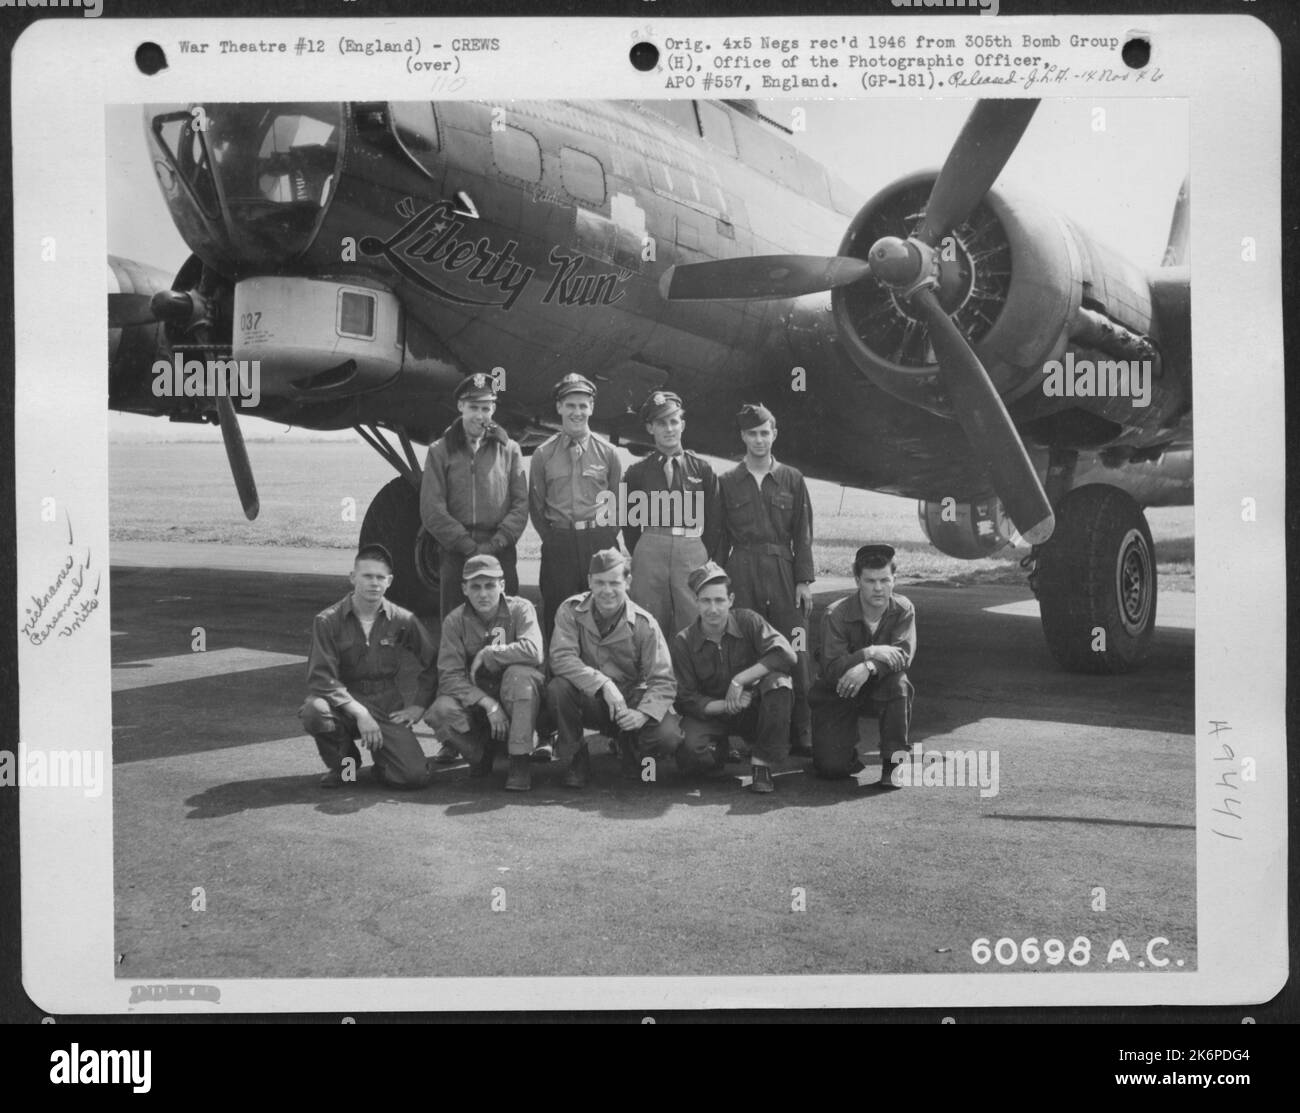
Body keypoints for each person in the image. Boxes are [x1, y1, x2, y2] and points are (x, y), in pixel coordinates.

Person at [715, 403, 815, 756]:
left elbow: (802, 533)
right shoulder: (727, 482)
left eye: (764, 432)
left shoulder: (792, 478)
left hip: (783, 570)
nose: (759, 440)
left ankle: (802, 729)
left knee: (796, 648)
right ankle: (745, 730)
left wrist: (803, 580)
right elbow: (719, 537)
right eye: (752, 434)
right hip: (741, 566)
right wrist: (718, 583)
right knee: (742, 649)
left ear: (774, 434)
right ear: (743, 437)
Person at [298, 543, 439, 789]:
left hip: (386, 704)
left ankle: (384, 765)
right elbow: (321, 678)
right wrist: (360, 713)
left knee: (414, 777)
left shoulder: (403, 619)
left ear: (390, 581)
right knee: (315, 711)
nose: (374, 583)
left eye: (380, 577)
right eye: (367, 576)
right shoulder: (327, 621)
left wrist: (419, 705)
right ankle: (345, 765)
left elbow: (434, 661)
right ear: (353, 578)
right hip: (344, 703)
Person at [547, 549, 684, 789]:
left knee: (668, 736)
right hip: (592, 697)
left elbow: (663, 680)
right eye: (599, 583)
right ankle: (576, 757)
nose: (607, 590)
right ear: (589, 581)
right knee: (559, 688)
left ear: (628, 582)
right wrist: (604, 684)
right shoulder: (570, 611)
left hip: (630, 702)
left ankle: (631, 744)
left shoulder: (645, 624)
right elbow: (560, 658)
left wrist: (642, 715)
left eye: (614, 583)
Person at [670, 562, 797, 793]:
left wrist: (739, 680)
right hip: (712, 715)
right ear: (696, 602)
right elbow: (685, 699)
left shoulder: (748, 621)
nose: (713, 609)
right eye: (706, 601)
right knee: (689, 757)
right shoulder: (683, 641)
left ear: (731, 600)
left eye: (719, 600)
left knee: (779, 683)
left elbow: (786, 654)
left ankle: (762, 764)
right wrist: (728, 705)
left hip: (751, 708)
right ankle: (719, 751)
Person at [427, 555, 546, 791]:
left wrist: (489, 653)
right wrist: (488, 704)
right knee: (440, 710)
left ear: (502, 585)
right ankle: (480, 754)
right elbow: (449, 677)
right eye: (476, 587)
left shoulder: (521, 609)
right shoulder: (454, 621)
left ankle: (519, 760)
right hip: (481, 705)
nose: (483, 594)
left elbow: (534, 652)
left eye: (490, 585)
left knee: (519, 676)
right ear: (464, 589)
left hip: (520, 703)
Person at [420, 372, 529, 620]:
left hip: (500, 551)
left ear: (493, 409)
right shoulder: (439, 451)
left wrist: (496, 544)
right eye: (473, 407)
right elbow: (432, 509)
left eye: (486, 408)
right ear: (460, 406)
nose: (480, 415)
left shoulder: (510, 449)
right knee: (456, 623)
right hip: (456, 554)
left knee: (503, 625)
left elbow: (520, 505)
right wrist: (467, 546)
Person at [810, 544, 917, 787]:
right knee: (831, 768)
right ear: (857, 580)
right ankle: (842, 753)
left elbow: (903, 656)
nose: (878, 588)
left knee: (899, 683)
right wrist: (870, 651)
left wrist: (867, 667)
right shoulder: (834, 614)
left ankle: (893, 762)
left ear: (894, 580)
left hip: (879, 685)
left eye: (884, 580)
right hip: (839, 690)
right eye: (870, 581)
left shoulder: (903, 609)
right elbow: (832, 669)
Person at [528, 373, 622, 645]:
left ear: (592, 408)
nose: (577, 412)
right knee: (560, 614)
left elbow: (617, 502)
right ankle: (559, 678)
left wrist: (603, 535)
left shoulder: (609, 453)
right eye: (570, 405)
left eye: (583, 405)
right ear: (559, 408)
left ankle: (606, 678)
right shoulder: (543, 454)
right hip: (560, 544)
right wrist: (555, 537)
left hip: (599, 541)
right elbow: (537, 505)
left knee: (605, 612)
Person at [623, 390, 722, 641]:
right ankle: (651, 678)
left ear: (683, 425)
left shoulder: (702, 469)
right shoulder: (637, 472)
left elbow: (714, 519)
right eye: (661, 423)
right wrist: (644, 549)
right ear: (650, 428)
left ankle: (689, 677)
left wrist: (701, 551)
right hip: (651, 548)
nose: (669, 429)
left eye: (673, 421)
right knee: (647, 617)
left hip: (691, 549)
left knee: (691, 617)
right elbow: (629, 522)